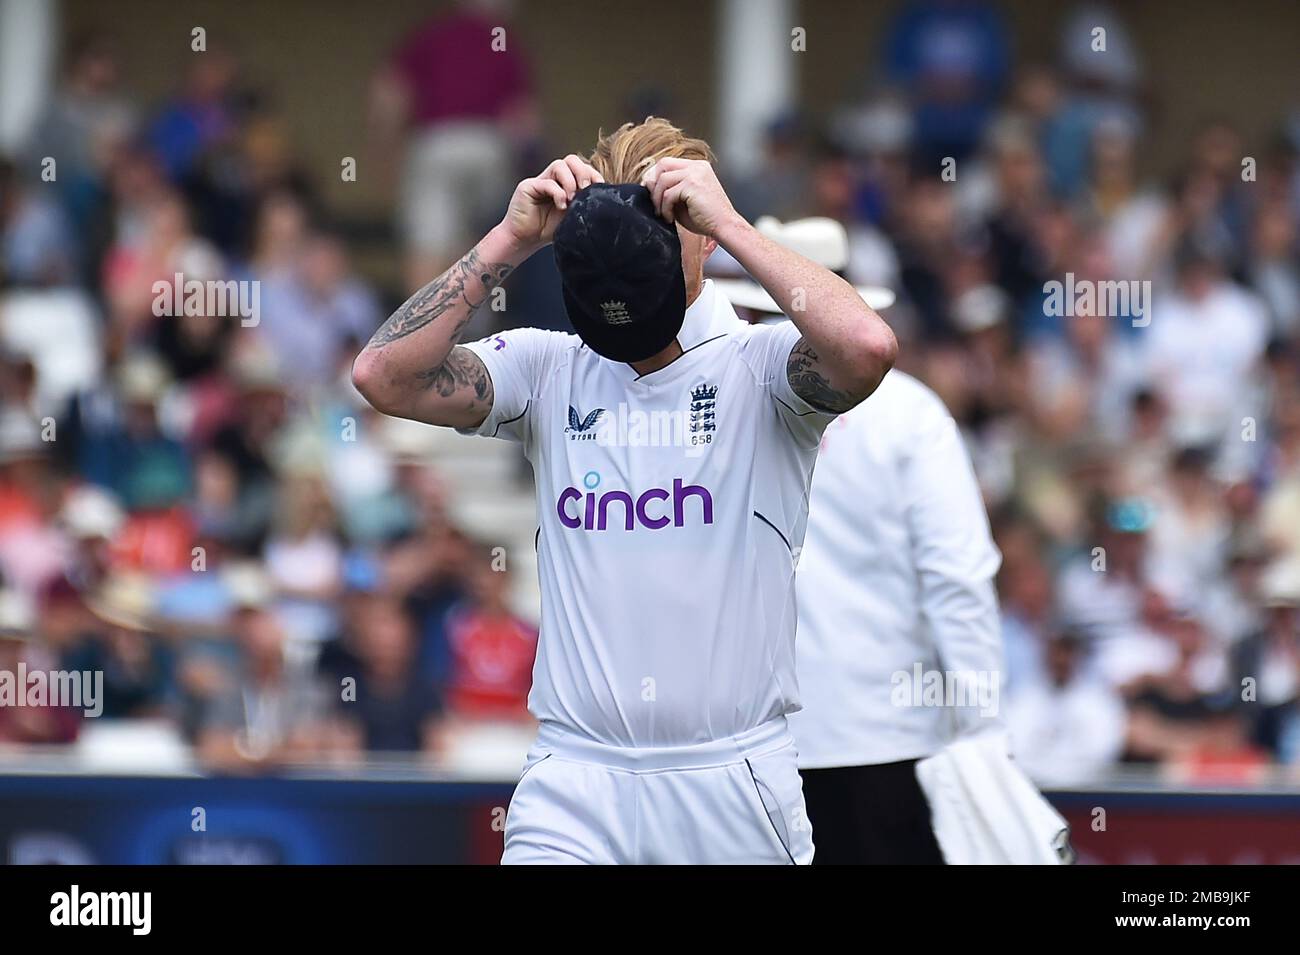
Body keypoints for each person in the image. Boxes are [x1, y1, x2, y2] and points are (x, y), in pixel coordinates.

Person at [351, 117, 897, 864]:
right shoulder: (549, 366)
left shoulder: (761, 368)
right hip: (575, 777)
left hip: (730, 778)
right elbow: (383, 376)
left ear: (701, 234)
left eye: (666, 227)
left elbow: (868, 347)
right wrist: (512, 237)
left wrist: (728, 222)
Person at [716, 216, 1003, 863]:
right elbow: (958, 577)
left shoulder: (714, 402)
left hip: (748, 748)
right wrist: (984, 725)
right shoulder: (910, 411)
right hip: (886, 741)